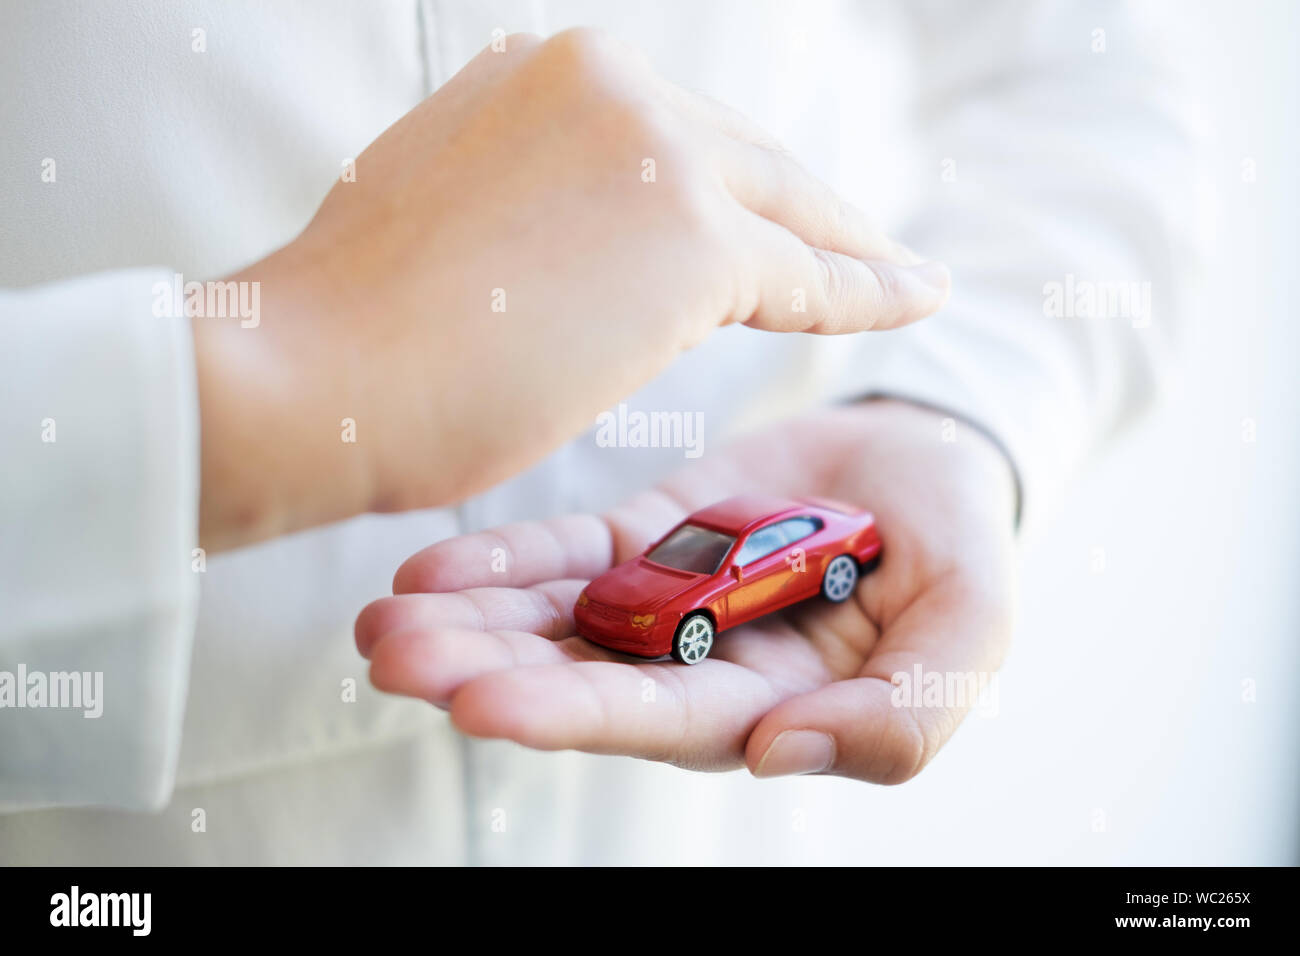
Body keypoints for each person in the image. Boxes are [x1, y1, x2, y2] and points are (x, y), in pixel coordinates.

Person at [0, 1, 1197, 864]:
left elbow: (1093, 79)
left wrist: (951, 404)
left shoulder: (756, 557)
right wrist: (261, 385)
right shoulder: (656, 589)